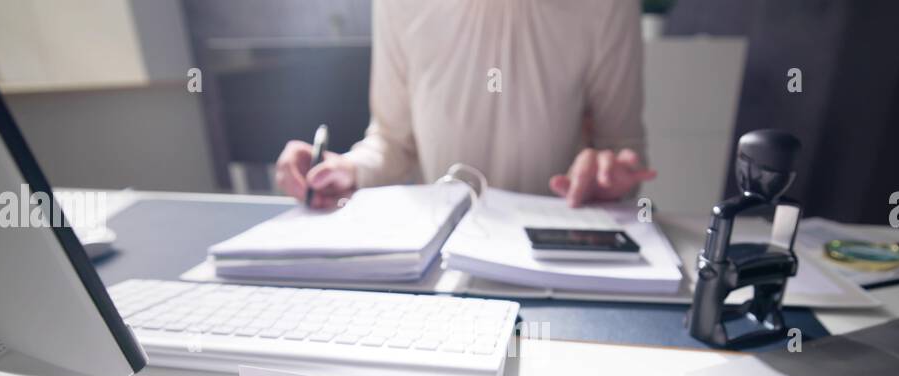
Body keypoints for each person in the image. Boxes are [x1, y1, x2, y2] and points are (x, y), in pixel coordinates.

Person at [275, 0, 655, 209]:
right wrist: (346, 168)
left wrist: (607, 179)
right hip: (439, 254)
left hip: (551, 253)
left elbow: (621, 148)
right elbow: (392, 141)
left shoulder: (606, 7)